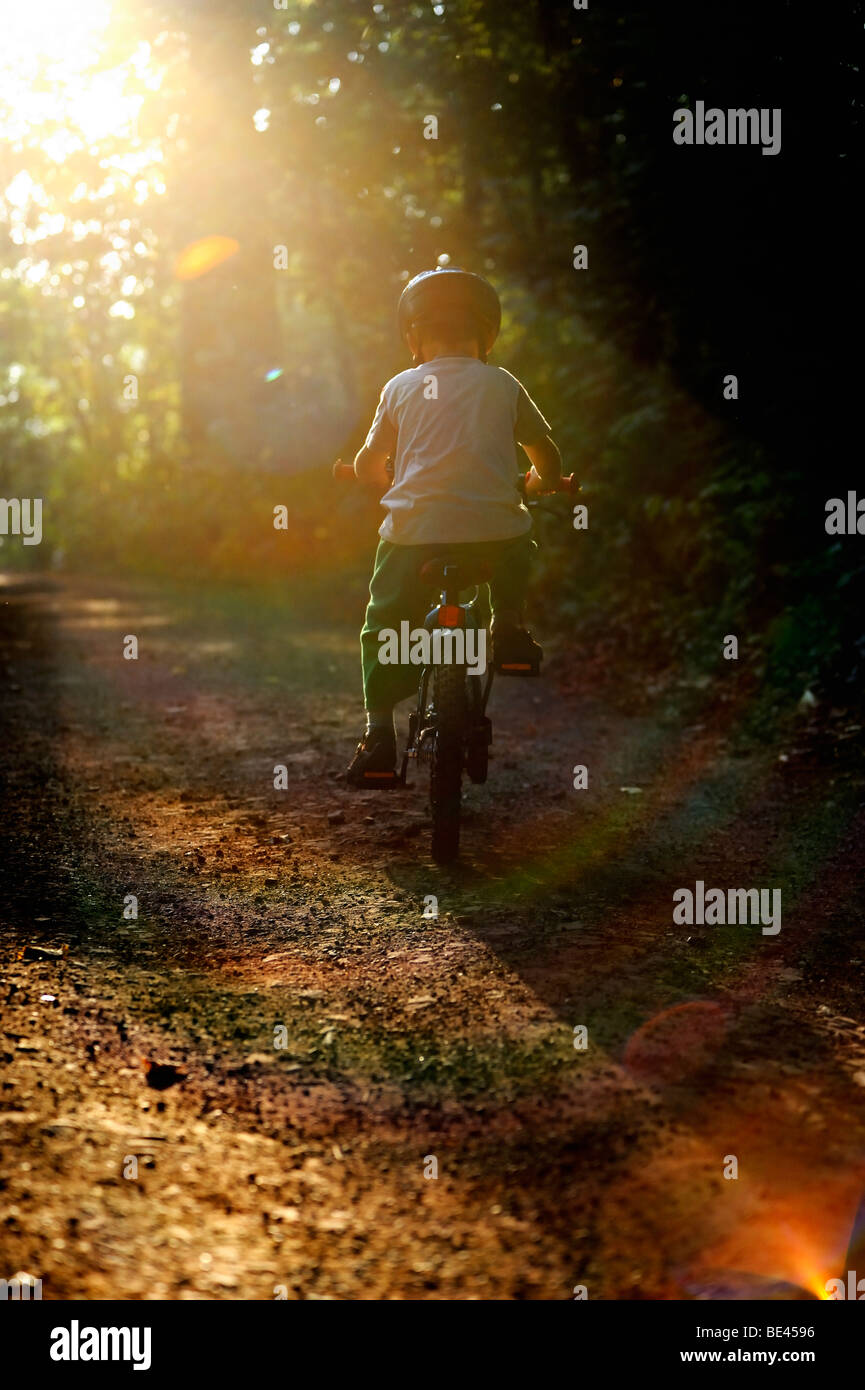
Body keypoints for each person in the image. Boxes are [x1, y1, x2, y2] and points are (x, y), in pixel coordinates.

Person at [343, 266, 563, 786]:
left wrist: (380, 475)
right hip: (493, 527)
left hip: (413, 533)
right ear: (487, 335)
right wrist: (540, 482)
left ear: (414, 337)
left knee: (382, 622)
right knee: (517, 540)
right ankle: (507, 626)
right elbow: (547, 457)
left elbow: (367, 464)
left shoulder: (399, 387)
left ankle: (378, 734)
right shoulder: (503, 384)